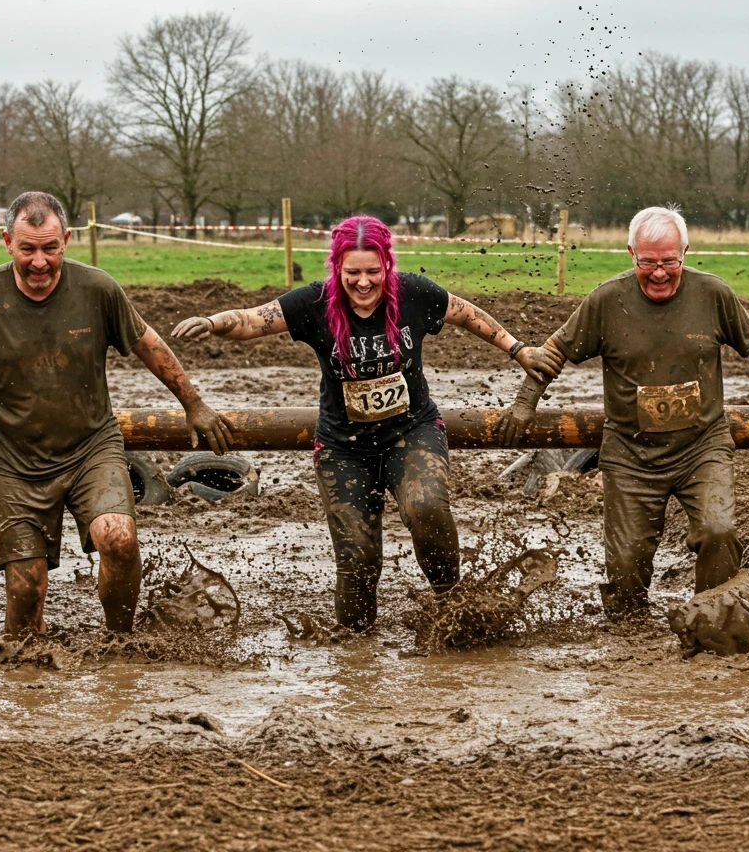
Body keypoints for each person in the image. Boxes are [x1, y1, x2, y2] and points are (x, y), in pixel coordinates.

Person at [172, 215, 560, 632]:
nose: (363, 283)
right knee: (357, 555)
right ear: (337, 268)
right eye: (352, 273)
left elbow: (465, 313)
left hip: (411, 432)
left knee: (427, 507)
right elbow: (253, 319)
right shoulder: (315, 302)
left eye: (373, 272)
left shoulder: (413, 292)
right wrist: (214, 323)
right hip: (343, 447)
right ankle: (356, 652)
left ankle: (453, 607)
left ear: (387, 267)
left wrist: (518, 349)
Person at [0, 191, 232, 637]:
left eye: (51, 248)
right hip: (15, 464)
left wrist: (195, 405)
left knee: (119, 538)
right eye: (28, 249)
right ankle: (27, 671)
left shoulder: (97, 289)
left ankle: (119, 641)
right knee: (27, 587)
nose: (40, 262)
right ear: (7, 241)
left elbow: (149, 344)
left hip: (91, 450)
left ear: (66, 239)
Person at [498, 206, 749, 617]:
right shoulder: (606, 300)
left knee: (718, 531)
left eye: (669, 261)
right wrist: (524, 404)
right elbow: (555, 351)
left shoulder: (712, 295)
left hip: (701, 447)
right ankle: (627, 627)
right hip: (630, 454)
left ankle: (712, 617)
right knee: (625, 566)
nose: (659, 272)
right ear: (630, 254)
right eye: (648, 262)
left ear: (685, 252)